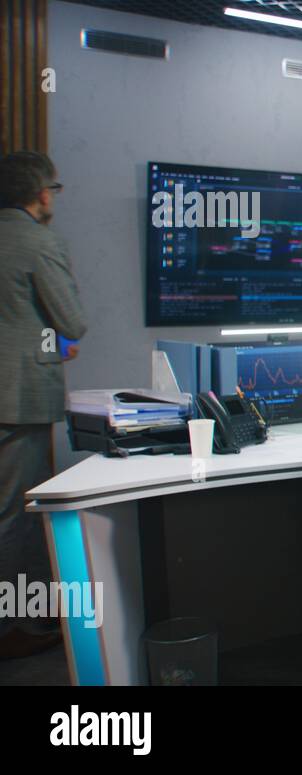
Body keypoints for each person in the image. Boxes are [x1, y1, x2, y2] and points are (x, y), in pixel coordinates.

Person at [0, 151, 87, 660]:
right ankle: (19, 627)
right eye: (53, 188)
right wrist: (57, 341)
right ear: (40, 193)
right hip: (17, 401)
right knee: (16, 514)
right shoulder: (38, 242)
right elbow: (71, 323)